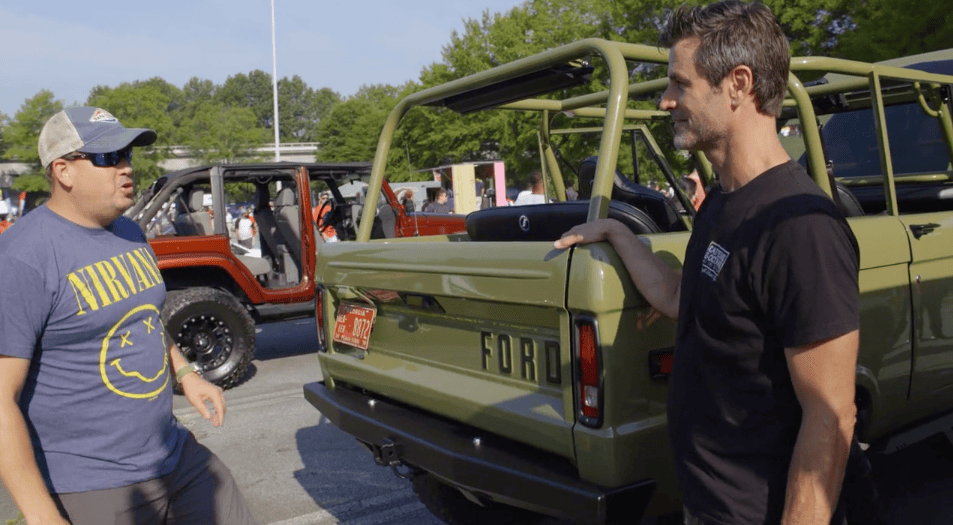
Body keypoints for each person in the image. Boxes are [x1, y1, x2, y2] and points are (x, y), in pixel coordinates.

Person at [555, 3, 861, 525]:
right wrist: (621, 236)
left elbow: (830, 419)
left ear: (739, 84)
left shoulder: (801, 228)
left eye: (680, 84)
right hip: (708, 506)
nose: (667, 101)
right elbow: (682, 297)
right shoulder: (723, 203)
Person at [0, 107, 256, 525]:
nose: (125, 168)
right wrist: (41, 514)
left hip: (175, 457)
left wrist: (186, 373)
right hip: (93, 485)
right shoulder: (22, 258)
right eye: (107, 157)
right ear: (63, 171)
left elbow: (146, 318)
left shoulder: (130, 233)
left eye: (127, 155)